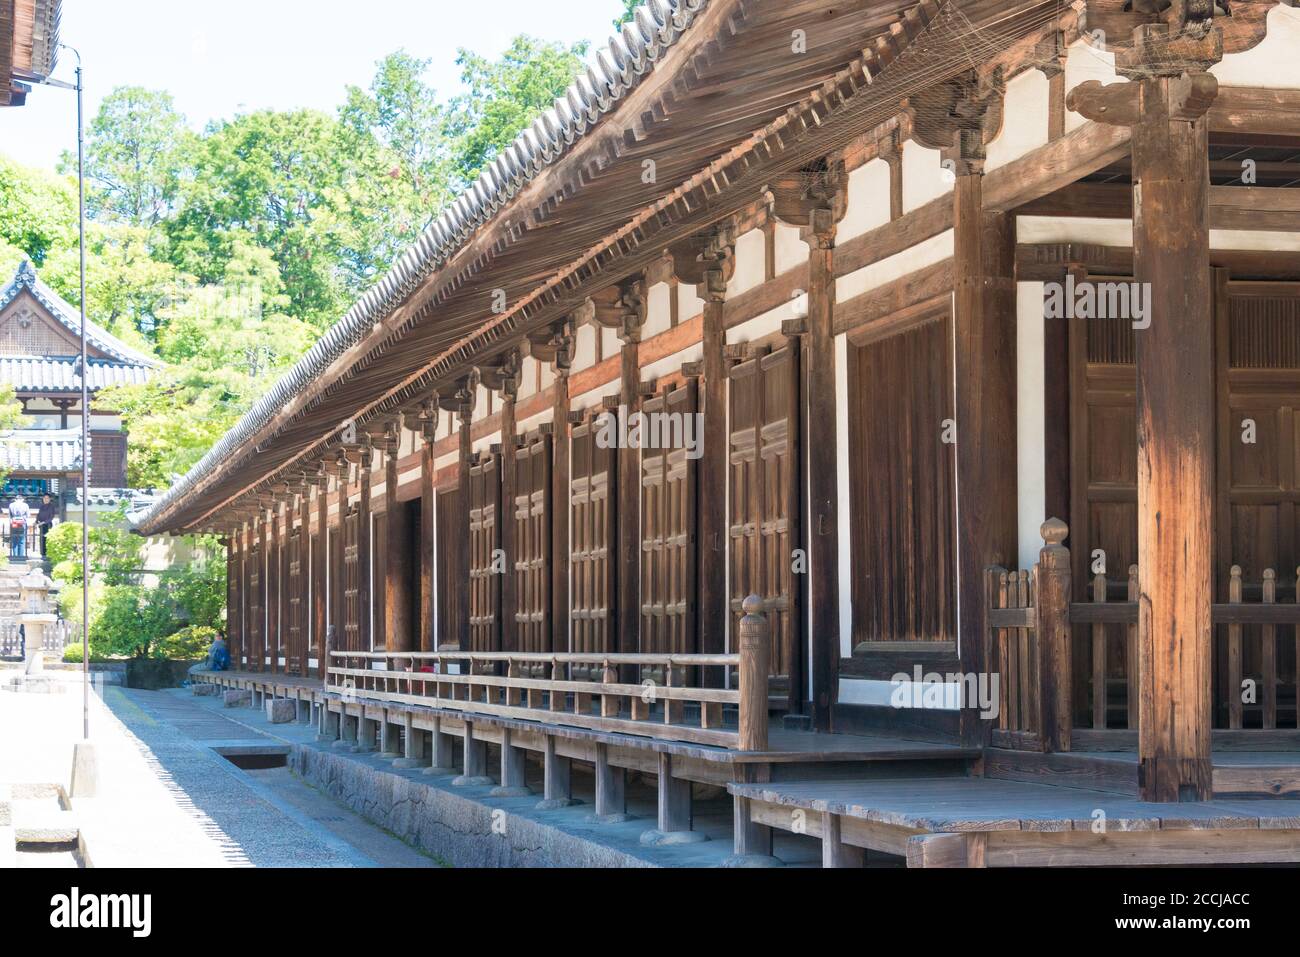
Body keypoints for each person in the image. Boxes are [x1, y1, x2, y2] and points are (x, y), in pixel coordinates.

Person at [8, 494, 29, 560]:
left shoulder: (11, 505)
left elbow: (10, 515)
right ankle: (21, 556)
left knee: (14, 540)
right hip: (22, 522)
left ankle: (15, 556)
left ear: (15, 499)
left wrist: (11, 521)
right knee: (21, 540)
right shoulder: (25, 505)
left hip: (14, 522)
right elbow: (28, 515)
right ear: (22, 499)